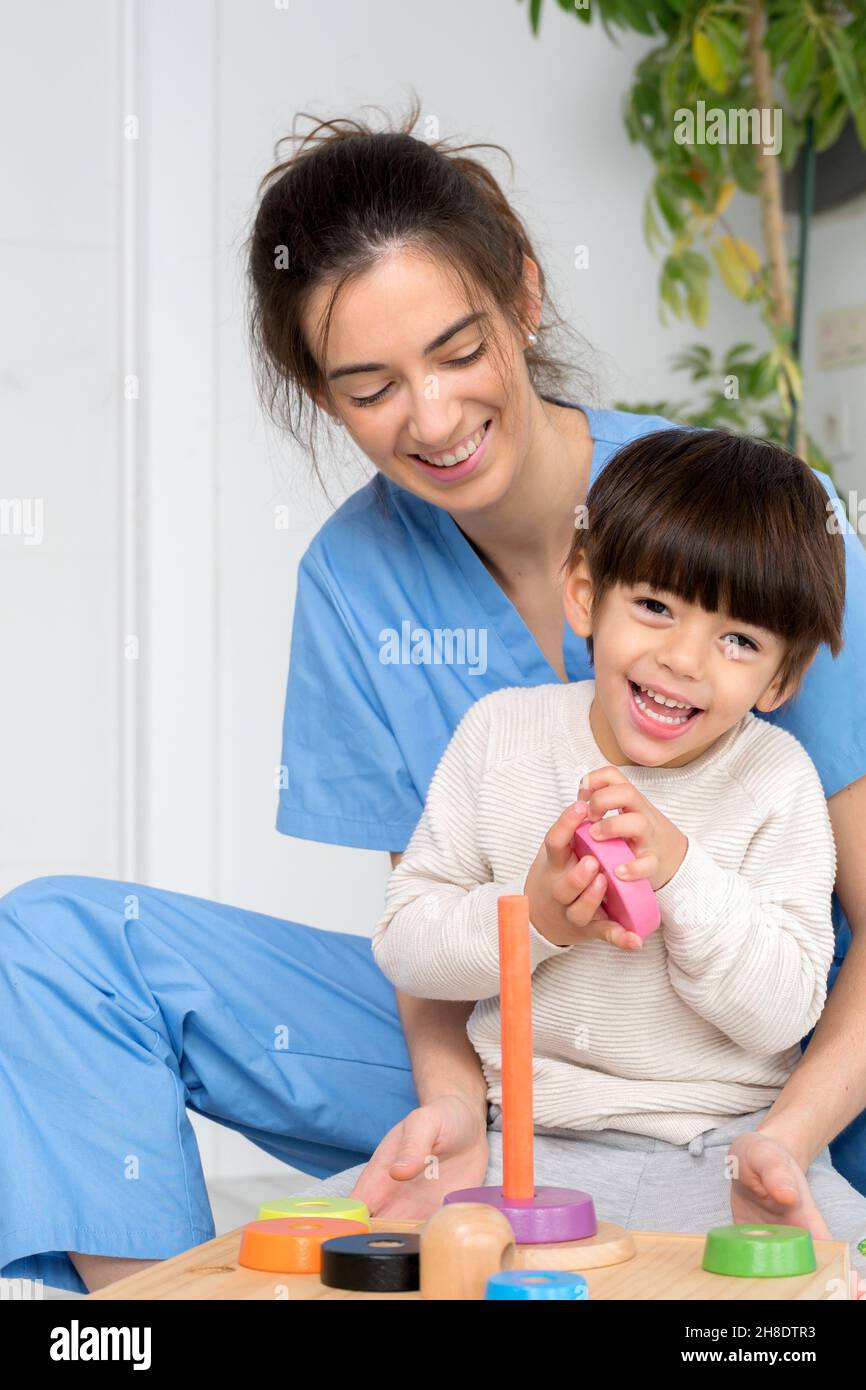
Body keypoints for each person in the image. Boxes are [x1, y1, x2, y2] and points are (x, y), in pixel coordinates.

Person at [1, 100, 864, 1296]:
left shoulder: (742, 544)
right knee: (56, 941)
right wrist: (459, 1112)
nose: (433, 417)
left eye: (457, 351)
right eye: (370, 386)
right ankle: (138, 1318)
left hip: (760, 1072)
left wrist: (787, 1138)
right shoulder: (354, 578)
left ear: (522, 293)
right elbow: (427, 934)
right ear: (321, 395)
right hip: (518, 1062)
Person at [298, 426, 866, 1288]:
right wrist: (535, 919)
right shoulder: (501, 736)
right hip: (518, 1153)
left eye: (739, 641)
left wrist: (682, 875)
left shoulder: (775, 779)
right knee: (321, 1263)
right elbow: (408, 945)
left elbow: (783, 1011)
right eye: (656, 608)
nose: (683, 659)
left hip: (726, 1161)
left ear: (781, 683)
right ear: (585, 596)